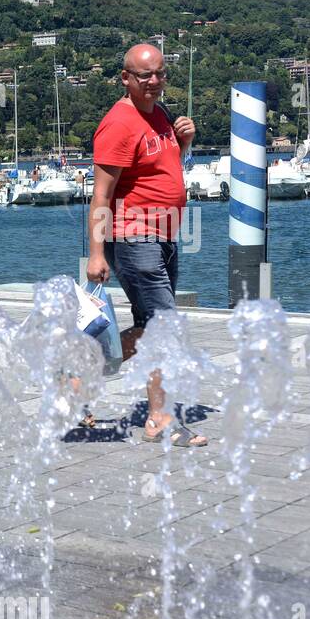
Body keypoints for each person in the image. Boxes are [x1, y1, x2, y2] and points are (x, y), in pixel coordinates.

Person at [87, 42, 206, 447]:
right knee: (165, 327)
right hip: (134, 236)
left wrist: (184, 142)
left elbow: (163, 169)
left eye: (159, 74)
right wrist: (98, 253)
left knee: (147, 328)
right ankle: (159, 418)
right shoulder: (118, 123)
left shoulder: (161, 116)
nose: (154, 81)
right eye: (144, 76)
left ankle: (77, 375)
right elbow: (101, 196)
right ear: (126, 78)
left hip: (166, 234)